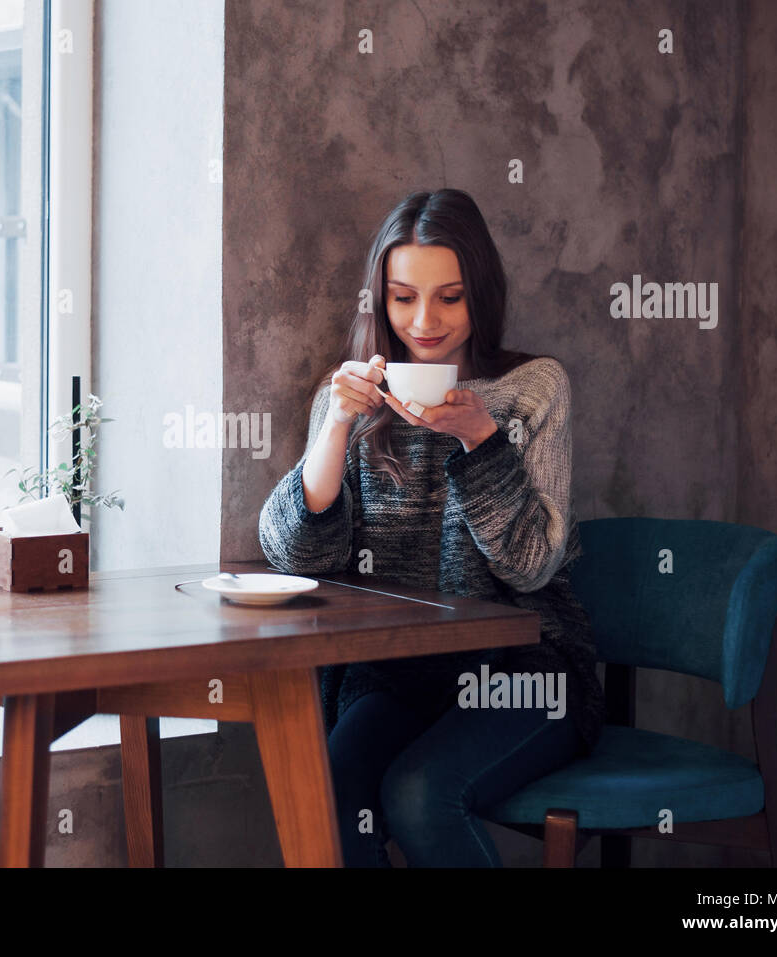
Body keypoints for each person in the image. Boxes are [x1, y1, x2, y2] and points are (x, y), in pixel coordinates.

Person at [257, 188, 605, 867]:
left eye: (450, 296)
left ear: (481, 293)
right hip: (396, 679)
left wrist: (483, 441)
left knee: (418, 794)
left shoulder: (534, 389)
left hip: (525, 674)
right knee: (327, 795)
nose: (424, 320)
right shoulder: (351, 395)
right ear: (379, 299)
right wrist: (336, 422)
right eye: (402, 296)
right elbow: (295, 552)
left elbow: (533, 563)